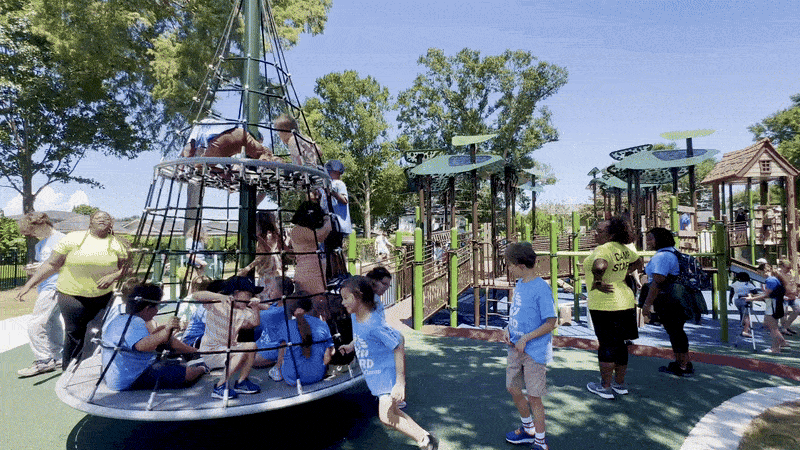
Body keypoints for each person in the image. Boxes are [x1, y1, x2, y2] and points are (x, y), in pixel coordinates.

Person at [17, 210, 129, 371]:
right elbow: (51, 264)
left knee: (95, 332)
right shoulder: (73, 238)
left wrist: (113, 276)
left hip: (101, 296)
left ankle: (89, 367)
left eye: (106, 219)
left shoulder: (117, 243)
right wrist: (29, 284)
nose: (102, 221)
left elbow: (126, 268)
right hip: (70, 293)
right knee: (73, 333)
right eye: (98, 219)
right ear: (90, 222)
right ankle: (67, 369)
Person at [338, 276, 438, 450]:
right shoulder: (356, 317)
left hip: (386, 375)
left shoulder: (374, 324)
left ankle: (426, 442)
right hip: (375, 377)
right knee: (394, 412)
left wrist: (400, 383)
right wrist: (351, 346)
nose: (342, 302)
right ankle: (425, 437)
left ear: (359, 297)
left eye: (346, 298)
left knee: (385, 416)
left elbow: (398, 343)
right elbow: (361, 336)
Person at [501, 242, 556, 450]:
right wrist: (508, 329)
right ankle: (528, 429)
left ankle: (540, 441)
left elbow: (551, 322)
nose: (508, 268)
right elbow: (518, 314)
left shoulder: (541, 287)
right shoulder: (521, 283)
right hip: (515, 347)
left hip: (534, 352)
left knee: (534, 397)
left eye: (510, 265)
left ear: (521, 265)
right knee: (513, 388)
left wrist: (526, 338)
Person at [101, 284, 207, 391]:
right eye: (157, 307)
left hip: (118, 376)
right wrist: (165, 331)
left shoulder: (120, 319)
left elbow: (142, 341)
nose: (157, 310)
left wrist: (164, 331)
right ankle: (202, 367)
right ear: (147, 309)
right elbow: (142, 346)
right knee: (189, 374)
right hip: (133, 377)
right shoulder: (135, 322)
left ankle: (193, 352)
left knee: (164, 337)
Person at [583, 217, 642, 399]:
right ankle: (619, 384)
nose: (595, 233)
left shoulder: (603, 249)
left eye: (599, 231)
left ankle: (605, 386)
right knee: (621, 344)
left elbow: (600, 264)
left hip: (605, 302)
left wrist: (598, 281)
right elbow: (639, 263)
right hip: (624, 300)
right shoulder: (623, 249)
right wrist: (624, 272)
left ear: (611, 234)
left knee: (607, 344)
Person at [193, 276, 262, 399]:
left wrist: (256, 308)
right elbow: (196, 295)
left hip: (229, 349)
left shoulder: (244, 310)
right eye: (248, 294)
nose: (250, 298)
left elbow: (254, 323)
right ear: (236, 293)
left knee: (251, 345)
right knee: (239, 352)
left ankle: (241, 382)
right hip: (211, 352)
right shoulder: (217, 304)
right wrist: (221, 297)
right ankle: (219, 386)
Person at [15, 212, 66, 377]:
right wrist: (34, 269)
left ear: (43, 223)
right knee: (51, 322)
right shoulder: (39, 245)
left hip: (56, 286)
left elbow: (62, 264)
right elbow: (44, 267)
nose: (32, 234)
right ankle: (58, 357)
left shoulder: (62, 239)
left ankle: (43, 360)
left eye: (33, 230)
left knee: (35, 324)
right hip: (44, 287)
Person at [641, 227, 694, 376]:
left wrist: (647, 304)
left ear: (660, 239)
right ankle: (681, 362)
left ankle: (683, 364)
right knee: (676, 331)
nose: (648, 241)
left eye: (651, 238)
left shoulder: (662, 256)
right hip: (677, 298)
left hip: (668, 299)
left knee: (675, 332)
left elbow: (657, 281)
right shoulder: (673, 252)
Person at [277, 295, 335, 386]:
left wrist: (278, 367)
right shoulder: (321, 324)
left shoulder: (285, 326)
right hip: (318, 375)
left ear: (292, 309)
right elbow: (331, 351)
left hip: (293, 378)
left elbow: (281, 355)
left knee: (285, 348)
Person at [288, 200, 331, 318]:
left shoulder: (302, 229)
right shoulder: (299, 230)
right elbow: (321, 236)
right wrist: (328, 221)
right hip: (309, 275)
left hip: (313, 272)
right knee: (312, 308)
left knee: (316, 308)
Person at [182, 117, 278, 161]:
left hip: (220, 141)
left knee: (201, 168)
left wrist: (184, 165)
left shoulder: (198, 128)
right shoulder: (208, 123)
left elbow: (189, 148)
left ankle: (226, 175)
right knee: (262, 153)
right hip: (239, 132)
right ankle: (275, 161)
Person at [238, 211, 282, 298]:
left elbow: (264, 254)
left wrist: (248, 268)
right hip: (272, 272)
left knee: (267, 298)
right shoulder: (273, 234)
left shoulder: (266, 236)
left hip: (268, 273)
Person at [748, 262, 787, 353]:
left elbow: (767, 294)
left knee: (773, 327)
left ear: (763, 271)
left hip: (774, 304)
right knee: (767, 324)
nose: (758, 274)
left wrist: (752, 298)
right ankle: (782, 342)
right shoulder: (771, 279)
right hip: (773, 303)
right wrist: (754, 297)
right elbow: (767, 293)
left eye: (759, 272)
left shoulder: (771, 280)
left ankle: (775, 348)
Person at [729, 272, 758, 338]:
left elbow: (731, 292)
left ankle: (744, 326)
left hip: (737, 300)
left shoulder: (735, 283)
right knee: (747, 316)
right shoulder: (749, 284)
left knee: (742, 314)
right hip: (745, 300)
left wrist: (730, 300)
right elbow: (755, 292)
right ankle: (746, 330)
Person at [776, 258, 800, 335]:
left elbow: (795, 284)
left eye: (790, 268)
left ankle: (786, 327)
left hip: (792, 296)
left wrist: (797, 292)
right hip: (783, 297)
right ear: (782, 267)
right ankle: (783, 328)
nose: (789, 269)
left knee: (797, 310)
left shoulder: (792, 273)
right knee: (784, 312)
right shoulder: (778, 274)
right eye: (787, 268)